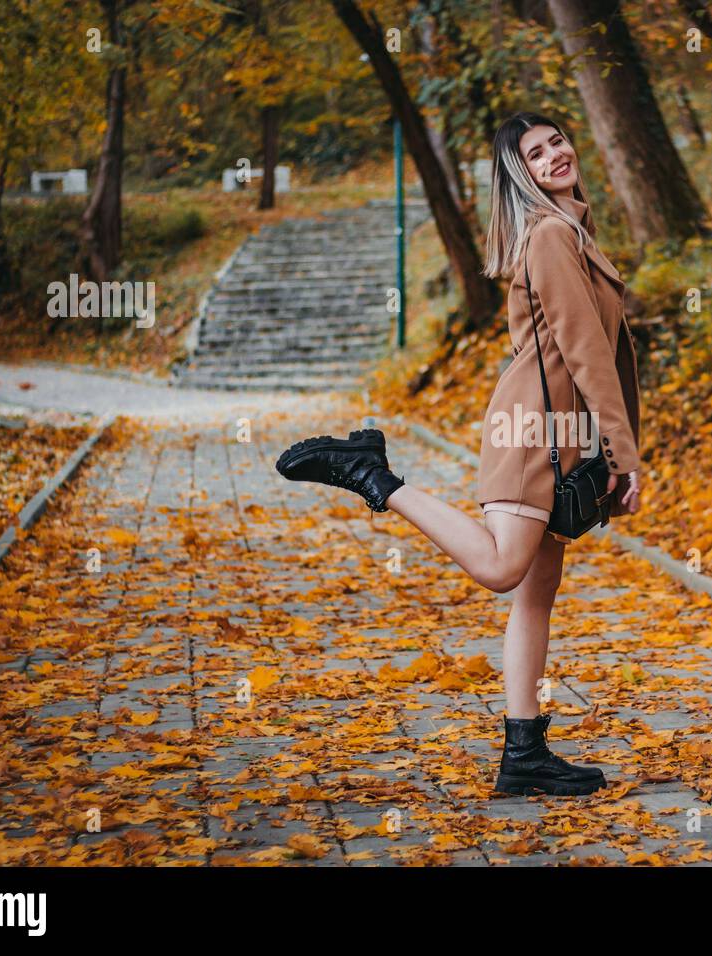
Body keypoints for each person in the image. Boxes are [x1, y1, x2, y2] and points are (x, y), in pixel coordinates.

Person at [275, 111, 641, 797]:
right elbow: (585, 350)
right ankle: (370, 472)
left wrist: (605, 447)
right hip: (535, 432)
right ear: (521, 175)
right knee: (504, 569)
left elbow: (571, 350)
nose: (555, 154)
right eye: (536, 153)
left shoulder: (570, 234)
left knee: (537, 590)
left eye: (558, 140)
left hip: (559, 435)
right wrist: (624, 453)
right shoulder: (554, 236)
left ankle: (524, 751)